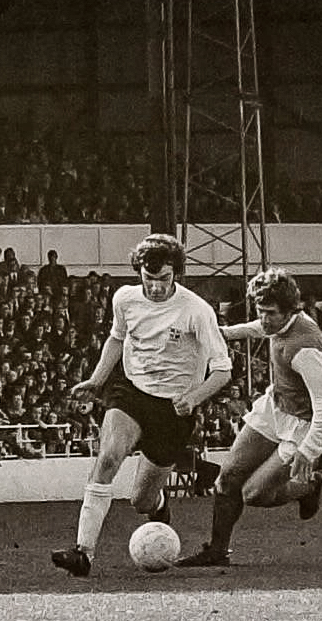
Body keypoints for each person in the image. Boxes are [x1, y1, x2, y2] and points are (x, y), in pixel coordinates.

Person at [51, 233, 232, 577]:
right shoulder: (125, 299)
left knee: (141, 501)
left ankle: (159, 507)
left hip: (174, 410)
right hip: (131, 393)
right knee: (107, 458)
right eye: (149, 279)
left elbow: (223, 370)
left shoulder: (197, 311)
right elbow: (117, 338)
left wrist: (193, 398)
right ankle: (83, 552)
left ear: (175, 273)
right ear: (139, 273)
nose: (156, 288)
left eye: (164, 279)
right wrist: (98, 379)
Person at [176, 268, 322, 568]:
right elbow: (260, 328)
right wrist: (227, 334)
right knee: (227, 477)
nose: (264, 318)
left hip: (305, 426)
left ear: (290, 310)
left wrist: (309, 450)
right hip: (276, 406)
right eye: (260, 310)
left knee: (254, 493)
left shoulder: (304, 348)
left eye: (269, 313)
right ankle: (217, 550)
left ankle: (310, 485)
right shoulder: (281, 322)